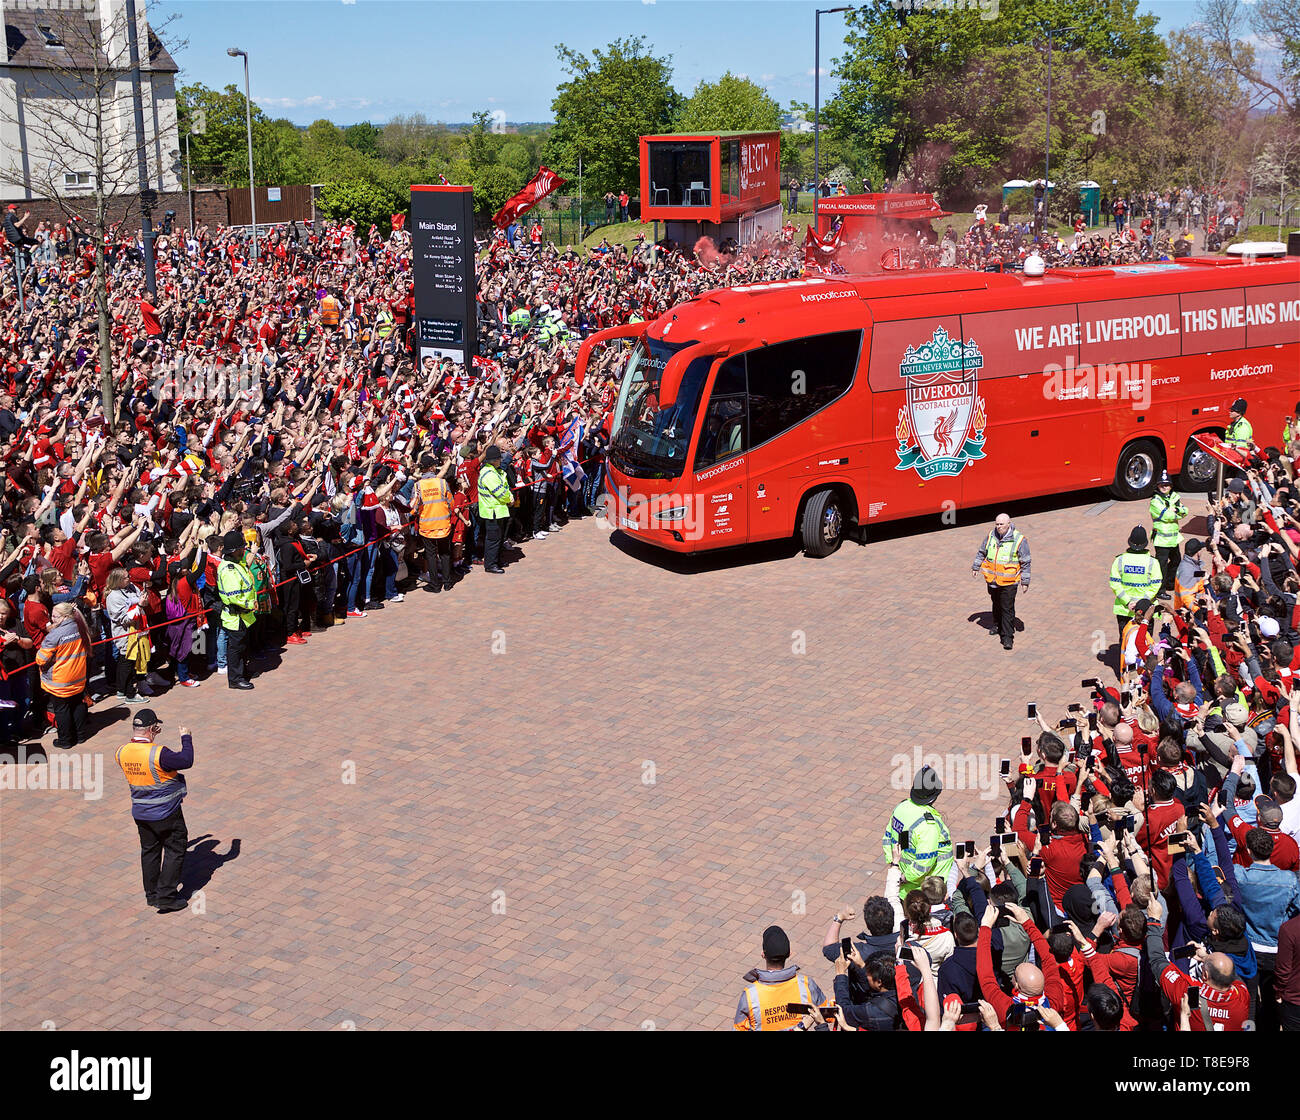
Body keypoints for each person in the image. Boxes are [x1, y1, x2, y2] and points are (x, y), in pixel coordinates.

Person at [114, 709, 194, 914]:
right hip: (165, 811)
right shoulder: (159, 753)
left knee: (150, 851)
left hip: (141, 812)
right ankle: (166, 896)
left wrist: (150, 737)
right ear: (152, 729)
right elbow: (186, 760)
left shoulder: (121, 752)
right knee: (175, 848)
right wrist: (186, 737)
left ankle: (152, 895)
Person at [733, 925, 828, 1030]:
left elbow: (739, 1028)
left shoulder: (750, 994)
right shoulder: (806, 984)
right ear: (789, 954)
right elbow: (828, 1014)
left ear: (763, 954)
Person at [882, 766, 954, 898]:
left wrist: (893, 866)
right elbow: (924, 863)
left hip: (903, 888)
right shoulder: (928, 826)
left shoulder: (901, 807)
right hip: (926, 892)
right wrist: (904, 877)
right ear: (934, 796)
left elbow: (888, 838)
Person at [34, 601, 90, 748]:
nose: (53, 620)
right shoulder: (80, 626)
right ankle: (81, 735)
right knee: (77, 704)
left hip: (60, 680)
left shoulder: (55, 635)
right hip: (78, 675)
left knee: (62, 709)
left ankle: (65, 740)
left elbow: (41, 659)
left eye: (56, 617)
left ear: (65, 617)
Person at [971, 512, 1030, 651]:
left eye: (1001, 524)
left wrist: (1025, 581)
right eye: (997, 524)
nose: (998, 527)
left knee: (1007, 608)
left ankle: (1007, 637)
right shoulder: (991, 536)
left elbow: (1026, 562)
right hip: (993, 580)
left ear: (1009, 524)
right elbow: (981, 552)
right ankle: (997, 625)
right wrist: (976, 567)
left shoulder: (1019, 540)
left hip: (1009, 581)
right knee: (996, 604)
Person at [216, 529, 256, 690]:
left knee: (242, 647)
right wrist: (250, 604)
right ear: (234, 551)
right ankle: (235, 678)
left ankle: (242, 672)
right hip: (236, 616)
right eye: (242, 548)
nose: (244, 550)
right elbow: (234, 597)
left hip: (243, 616)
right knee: (235, 648)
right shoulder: (228, 570)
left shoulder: (235, 564)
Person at [1109, 525, 1163, 639]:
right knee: (1145, 641)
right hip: (1145, 610)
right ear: (1145, 543)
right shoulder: (1152, 562)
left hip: (1124, 610)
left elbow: (1115, 584)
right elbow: (1155, 585)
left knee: (1125, 641)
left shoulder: (1119, 560)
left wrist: (1128, 602)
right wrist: (1141, 603)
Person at [412, 453, 454, 592]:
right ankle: (447, 583)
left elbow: (414, 508)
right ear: (432, 467)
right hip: (444, 524)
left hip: (427, 527)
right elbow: (451, 502)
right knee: (445, 554)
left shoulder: (418, 486)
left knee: (430, 555)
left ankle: (435, 585)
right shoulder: (442, 483)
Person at [1149, 470, 1187, 593]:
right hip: (1161, 539)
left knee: (1176, 561)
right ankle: (1160, 589)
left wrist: (1175, 510)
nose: (1164, 487)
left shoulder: (1175, 497)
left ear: (1171, 486)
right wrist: (1176, 511)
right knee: (1161, 566)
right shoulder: (1155, 500)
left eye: (1167, 484)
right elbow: (1167, 515)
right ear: (1158, 486)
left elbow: (1185, 511)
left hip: (1173, 538)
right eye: (1161, 485)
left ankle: (1170, 583)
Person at [477, 445, 513, 575]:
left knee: (498, 538)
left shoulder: (493, 471)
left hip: (497, 511)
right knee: (493, 540)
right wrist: (509, 499)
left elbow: (504, 487)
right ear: (495, 460)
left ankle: (496, 560)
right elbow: (500, 493)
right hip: (492, 511)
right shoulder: (489, 474)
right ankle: (490, 564)